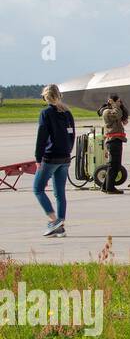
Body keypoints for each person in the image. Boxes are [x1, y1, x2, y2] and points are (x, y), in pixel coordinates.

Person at [33, 84, 76, 237]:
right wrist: (68, 151)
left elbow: (42, 137)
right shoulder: (67, 113)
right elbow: (72, 135)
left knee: (38, 188)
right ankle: (60, 225)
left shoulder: (46, 113)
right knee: (59, 192)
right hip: (64, 157)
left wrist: (38, 157)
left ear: (45, 97)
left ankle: (54, 220)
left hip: (51, 157)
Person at [97, 93, 128, 194]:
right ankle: (110, 188)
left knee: (115, 164)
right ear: (111, 101)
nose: (119, 103)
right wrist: (115, 106)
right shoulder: (106, 112)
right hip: (112, 140)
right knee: (113, 165)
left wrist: (119, 106)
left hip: (117, 139)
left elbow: (122, 114)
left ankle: (105, 186)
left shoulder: (115, 110)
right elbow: (117, 115)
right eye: (118, 101)